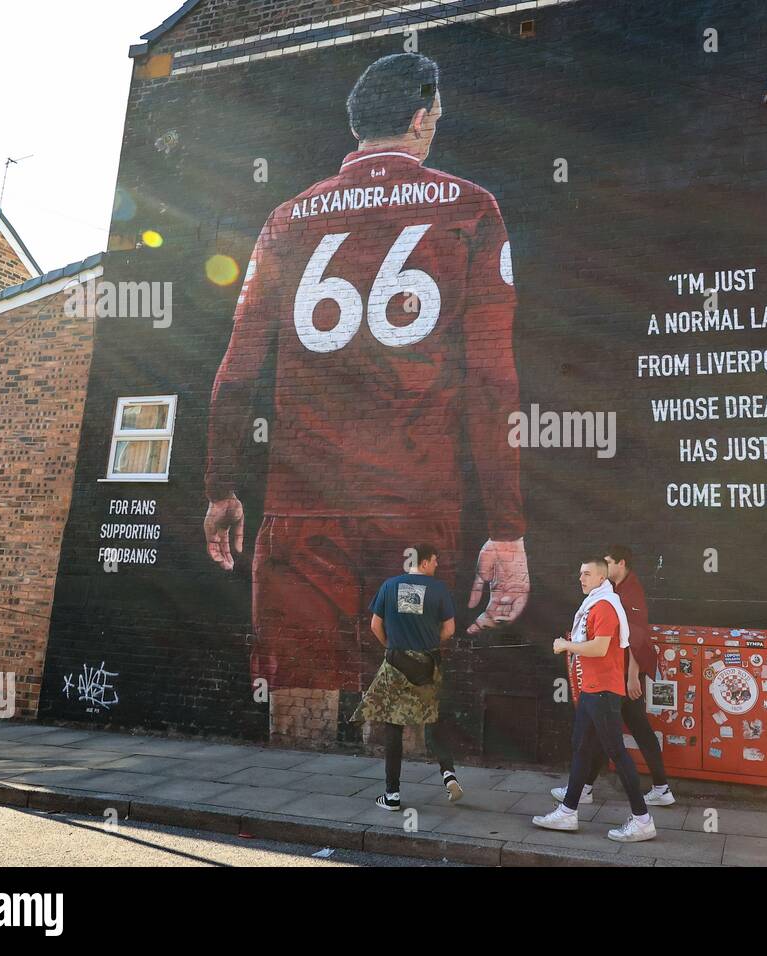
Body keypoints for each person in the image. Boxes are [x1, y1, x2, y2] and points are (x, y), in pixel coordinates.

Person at [202, 52, 529, 748]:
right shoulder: (471, 207)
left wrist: (220, 488)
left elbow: (235, 373)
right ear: (419, 120)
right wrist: (507, 527)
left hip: (301, 504)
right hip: (416, 506)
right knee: (407, 687)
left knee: (299, 695)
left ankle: (290, 840)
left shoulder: (287, 218)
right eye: (434, 117)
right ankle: (393, 822)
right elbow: (492, 382)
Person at [532, 557, 656, 843]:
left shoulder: (604, 606)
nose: (581, 578)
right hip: (593, 690)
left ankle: (642, 820)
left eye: (587, 574)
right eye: (580, 574)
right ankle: (568, 811)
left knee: (616, 753)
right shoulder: (594, 604)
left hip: (603, 692)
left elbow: (600, 648)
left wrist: (565, 645)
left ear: (602, 578)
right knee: (581, 749)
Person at [548, 545, 675, 807]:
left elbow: (636, 639)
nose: (604, 569)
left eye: (608, 563)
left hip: (622, 676)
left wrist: (632, 677)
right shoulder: (614, 593)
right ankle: (583, 789)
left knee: (628, 734)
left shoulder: (629, 593)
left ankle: (654, 794)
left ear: (621, 563)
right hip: (614, 676)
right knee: (595, 735)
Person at [353, 544, 462, 810]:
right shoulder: (439, 589)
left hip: (396, 664)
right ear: (424, 562)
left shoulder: (390, 586)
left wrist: (391, 644)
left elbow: (374, 625)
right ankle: (448, 773)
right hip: (427, 665)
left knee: (394, 728)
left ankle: (392, 795)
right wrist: (428, 642)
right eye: (435, 561)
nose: (437, 565)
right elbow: (449, 629)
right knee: (434, 719)